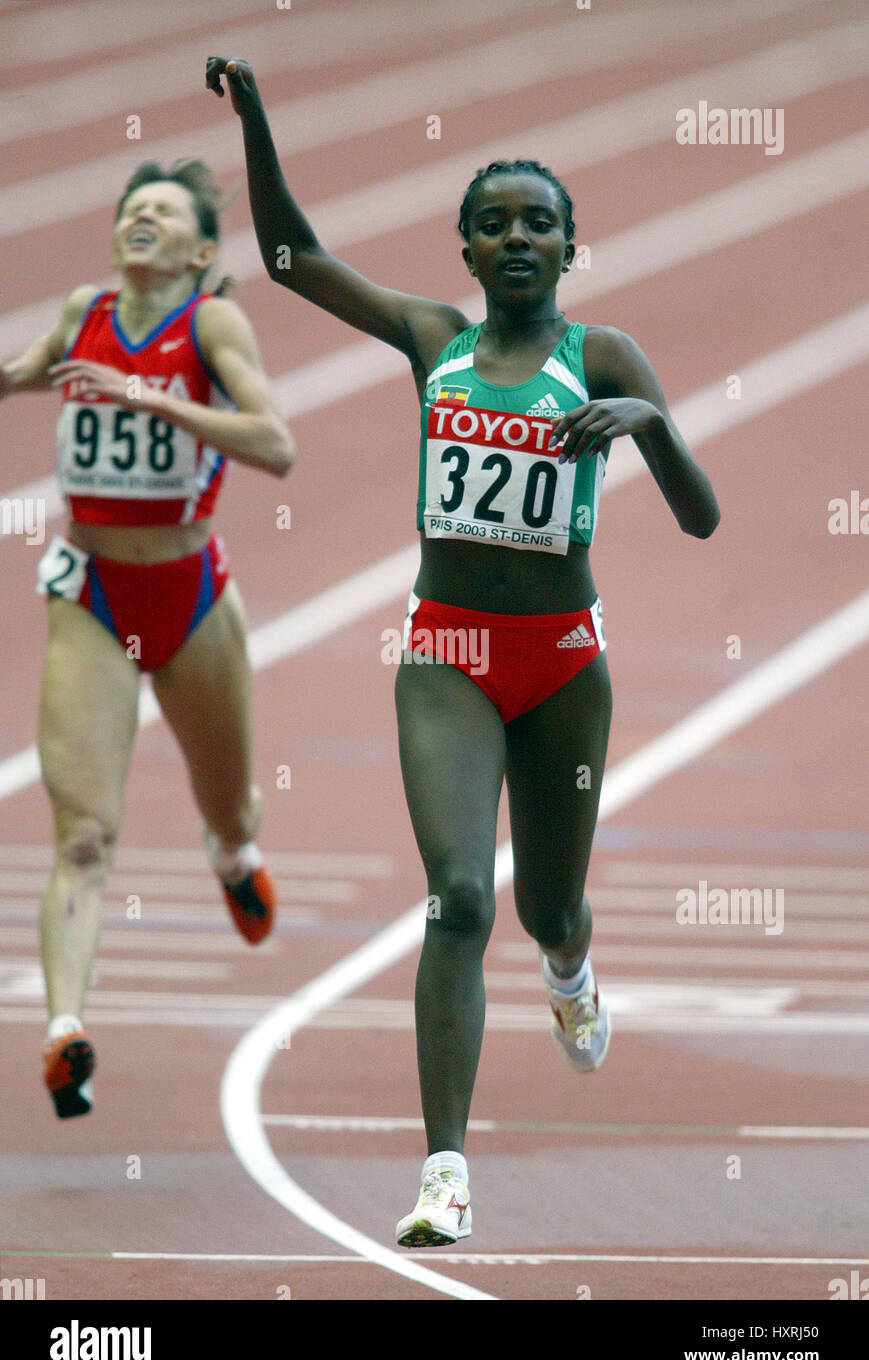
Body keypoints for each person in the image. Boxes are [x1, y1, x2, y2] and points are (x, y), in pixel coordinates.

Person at [205, 57, 720, 1246]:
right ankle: (445, 1171)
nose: (518, 238)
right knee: (454, 897)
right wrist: (262, 119)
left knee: (547, 907)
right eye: (493, 225)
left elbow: (698, 517)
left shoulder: (603, 360)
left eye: (539, 222)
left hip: (560, 667)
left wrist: (649, 425)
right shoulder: (430, 338)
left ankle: (572, 965)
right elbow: (289, 263)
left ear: (566, 247)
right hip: (445, 655)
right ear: (467, 255)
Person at [0, 158, 295, 1119]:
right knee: (83, 832)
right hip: (91, 590)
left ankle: (232, 857)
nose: (142, 216)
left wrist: (154, 398)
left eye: (164, 210)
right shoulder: (86, 309)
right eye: (132, 206)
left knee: (236, 805)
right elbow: (24, 372)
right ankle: (64, 1032)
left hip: (191, 593)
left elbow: (274, 443)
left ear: (201, 249)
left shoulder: (209, 322)